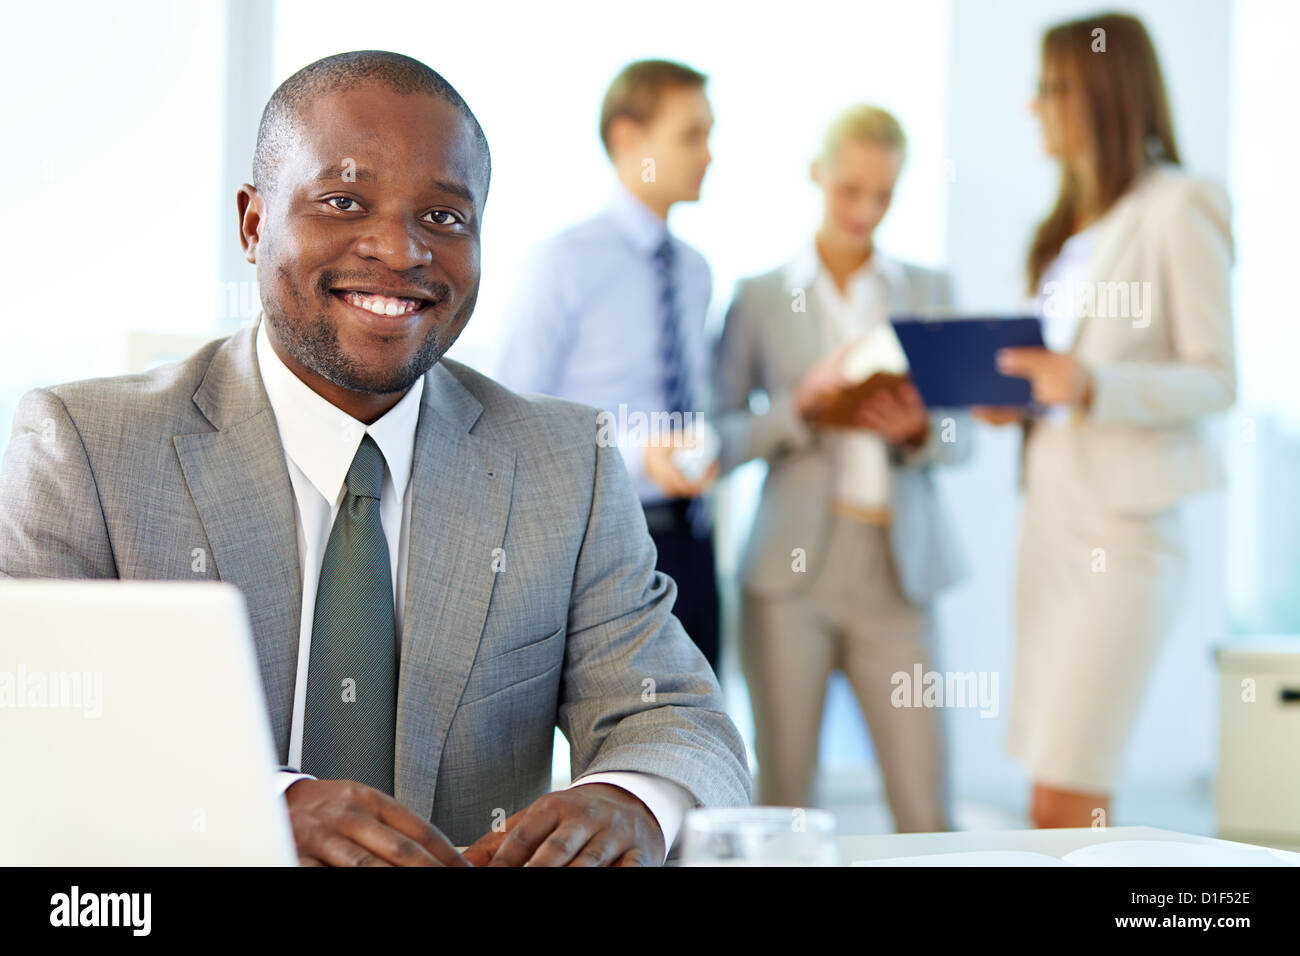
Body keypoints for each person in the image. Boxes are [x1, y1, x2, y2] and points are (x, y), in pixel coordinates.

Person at [0, 50, 751, 866]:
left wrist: (629, 802)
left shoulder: (565, 463)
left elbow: (677, 717)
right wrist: (258, 808)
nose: (399, 251)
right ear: (254, 223)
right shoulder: (84, 448)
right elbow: (29, 728)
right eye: (344, 200)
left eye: (443, 218)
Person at [977, 13, 1235, 828]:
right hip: (1050, 523)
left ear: (1103, 91)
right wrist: (1017, 399)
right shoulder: (1067, 235)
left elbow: (1217, 378)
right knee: (1044, 772)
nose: (1034, 107)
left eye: (1051, 88)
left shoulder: (1179, 205)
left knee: (1070, 779)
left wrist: (1091, 384)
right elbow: (1054, 379)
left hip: (1122, 535)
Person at [713, 105, 970, 830]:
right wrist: (800, 406)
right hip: (788, 578)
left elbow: (965, 438)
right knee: (785, 797)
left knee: (925, 801)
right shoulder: (761, 296)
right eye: (849, 190)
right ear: (816, 174)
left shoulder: (927, 289)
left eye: (883, 195)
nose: (865, 210)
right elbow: (720, 437)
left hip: (898, 571)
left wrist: (921, 432)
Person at [493, 60, 722, 671]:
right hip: (606, 542)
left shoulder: (695, 270)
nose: (709, 154)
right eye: (691, 135)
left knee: (700, 742)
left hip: (695, 538)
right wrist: (638, 454)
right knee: (623, 747)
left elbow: (698, 399)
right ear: (628, 139)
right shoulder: (562, 264)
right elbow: (509, 417)